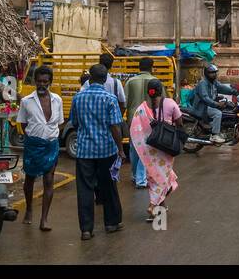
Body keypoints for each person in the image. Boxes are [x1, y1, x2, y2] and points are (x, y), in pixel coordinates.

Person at [68, 64, 124, 238]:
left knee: (85, 189)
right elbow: (115, 126)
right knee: (108, 186)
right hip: (106, 150)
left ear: (90, 78)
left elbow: (74, 122)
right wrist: (120, 148)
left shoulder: (78, 97)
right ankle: (111, 223)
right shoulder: (110, 98)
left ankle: (86, 229)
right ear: (105, 79)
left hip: (84, 151)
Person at [128, 79, 182, 223]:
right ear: (161, 89)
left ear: (148, 92)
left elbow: (134, 128)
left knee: (155, 177)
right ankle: (153, 206)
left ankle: (160, 204)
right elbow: (180, 123)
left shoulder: (142, 108)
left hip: (150, 149)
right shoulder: (170, 103)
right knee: (164, 178)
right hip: (166, 148)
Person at [17, 65, 63, 231]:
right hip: (33, 145)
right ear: (35, 82)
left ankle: (44, 219)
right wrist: (34, 135)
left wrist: (50, 136)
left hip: (51, 145)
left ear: (50, 82)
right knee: (30, 178)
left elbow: (59, 123)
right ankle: (29, 209)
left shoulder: (57, 100)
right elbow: (22, 123)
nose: (42, 84)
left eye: (45, 81)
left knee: (49, 180)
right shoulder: (26, 101)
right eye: (39, 81)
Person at [123, 58, 156, 189]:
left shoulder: (130, 82)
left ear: (139, 67)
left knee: (134, 147)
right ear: (151, 67)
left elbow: (124, 102)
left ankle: (135, 175)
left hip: (133, 119)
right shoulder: (155, 81)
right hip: (149, 119)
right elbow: (161, 102)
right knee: (146, 148)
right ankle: (141, 177)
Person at [190, 63, 237, 144]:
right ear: (206, 73)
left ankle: (218, 128)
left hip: (208, 106)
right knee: (217, 113)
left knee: (226, 109)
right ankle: (214, 135)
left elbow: (222, 88)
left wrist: (234, 91)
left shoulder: (214, 82)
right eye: (211, 73)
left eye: (215, 72)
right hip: (202, 107)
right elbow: (205, 98)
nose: (214, 74)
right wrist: (217, 104)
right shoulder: (203, 83)